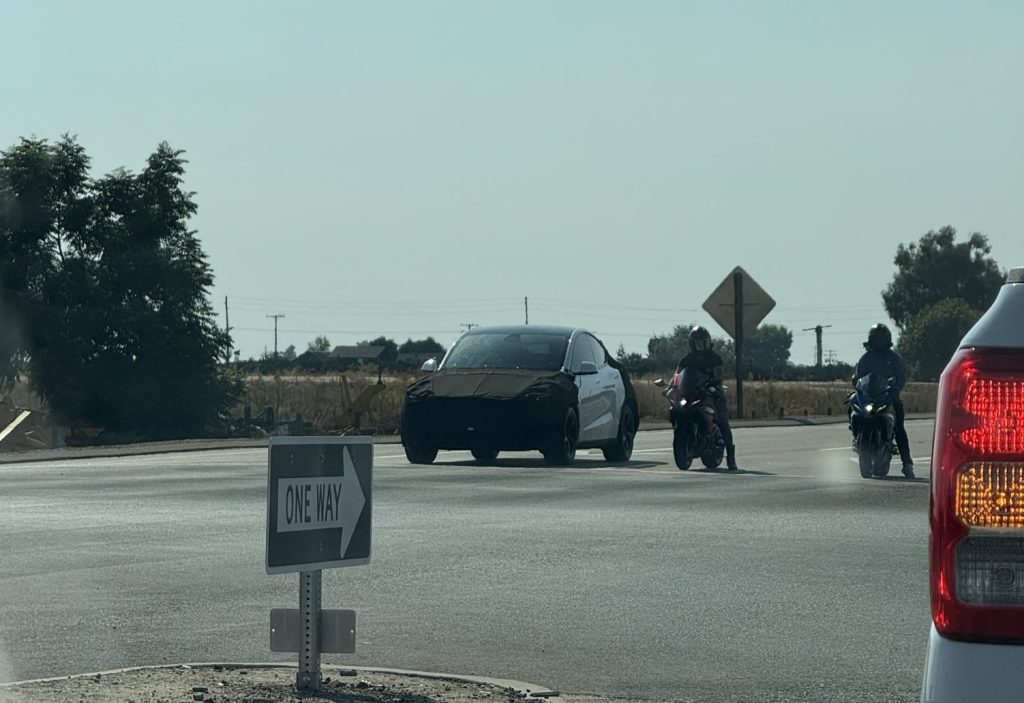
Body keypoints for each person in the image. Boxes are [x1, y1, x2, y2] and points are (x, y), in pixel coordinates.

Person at [853, 323, 914, 478]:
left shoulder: (893, 358)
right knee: (853, 403)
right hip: (869, 396)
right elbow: (859, 376)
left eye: (881, 339)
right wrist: (857, 383)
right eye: (876, 339)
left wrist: (895, 389)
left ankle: (907, 464)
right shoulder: (866, 358)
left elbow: (901, 376)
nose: (878, 342)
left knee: (899, 426)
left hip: (887, 396)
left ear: (887, 339)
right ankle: (856, 436)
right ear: (870, 340)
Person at [675, 326, 737, 470]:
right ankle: (685, 442)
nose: (700, 345)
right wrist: (672, 386)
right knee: (676, 411)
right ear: (692, 343)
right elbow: (678, 375)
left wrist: (714, 385)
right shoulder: (686, 359)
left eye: (703, 342)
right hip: (691, 393)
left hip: (711, 392)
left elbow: (719, 376)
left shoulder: (714, 358)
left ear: (708, 342)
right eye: (697, 342)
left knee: (722, 420)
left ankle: (731, 458)